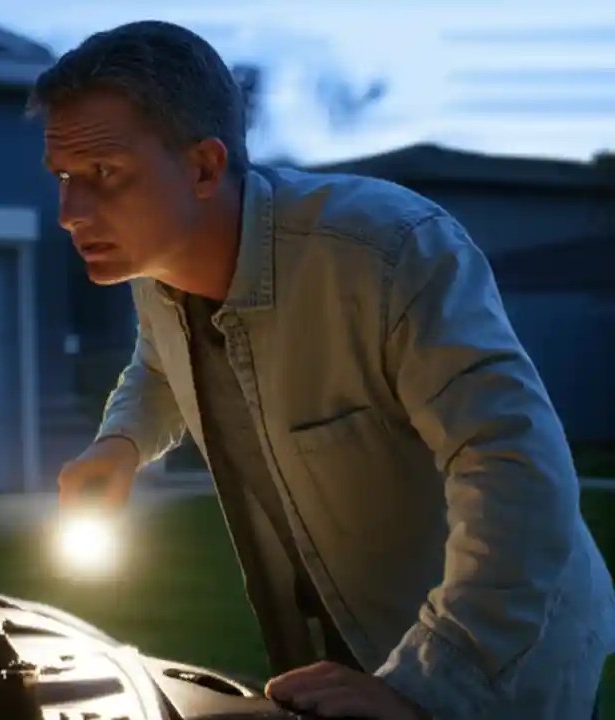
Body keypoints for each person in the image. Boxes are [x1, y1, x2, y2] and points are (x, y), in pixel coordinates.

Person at [36, 20, 615, 720]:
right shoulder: (157, 264)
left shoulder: (391, 252)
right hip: (344, 661)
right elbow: (158, 363)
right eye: (64, 178)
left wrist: (426, 686)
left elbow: (518, 472)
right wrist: (121, 443)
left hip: (498, 671)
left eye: (104, 175)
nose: (70, 213)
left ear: (203, 168)